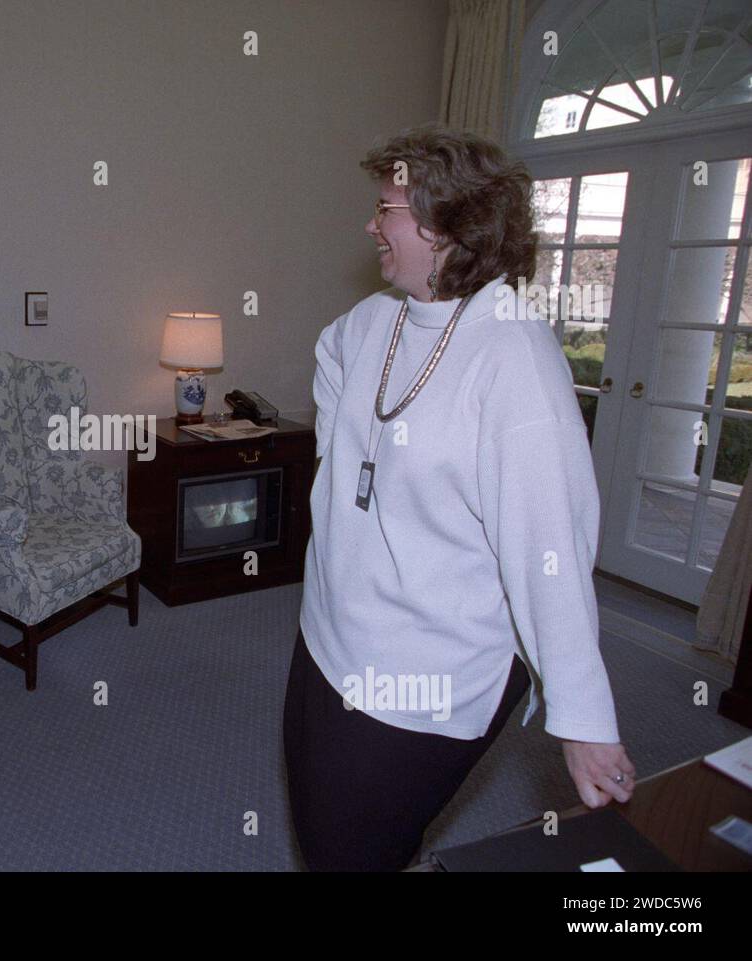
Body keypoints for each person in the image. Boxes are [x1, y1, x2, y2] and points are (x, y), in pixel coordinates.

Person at [283, 123, 636, 871]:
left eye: (385, 209)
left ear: (443, 226)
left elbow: (550, 547)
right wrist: (344, 470)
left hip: (428, 665)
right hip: (329, 632)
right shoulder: (378, 317)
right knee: (326, 833)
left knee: (350, 849)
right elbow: (331, 359)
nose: (370, 224)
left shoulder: (513, 355)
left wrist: (583, 718)